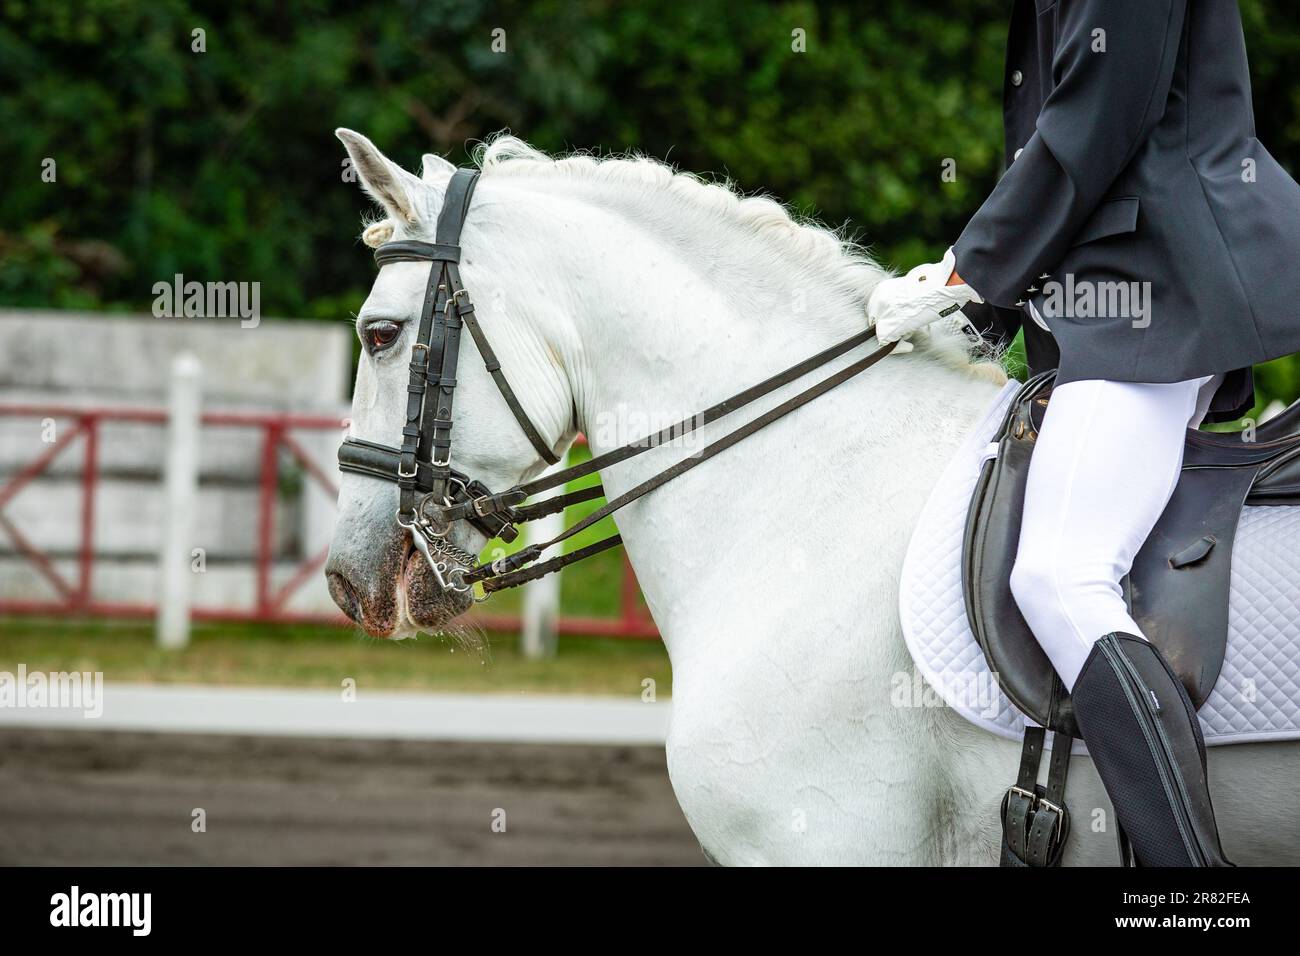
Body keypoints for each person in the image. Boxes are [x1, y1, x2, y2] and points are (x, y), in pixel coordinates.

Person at [868, 0, 1300, 866]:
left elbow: (1100, 115)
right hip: (1117, 291)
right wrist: (986, 305)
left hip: (1159, 285)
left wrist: (973, 267)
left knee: (1061, 574)